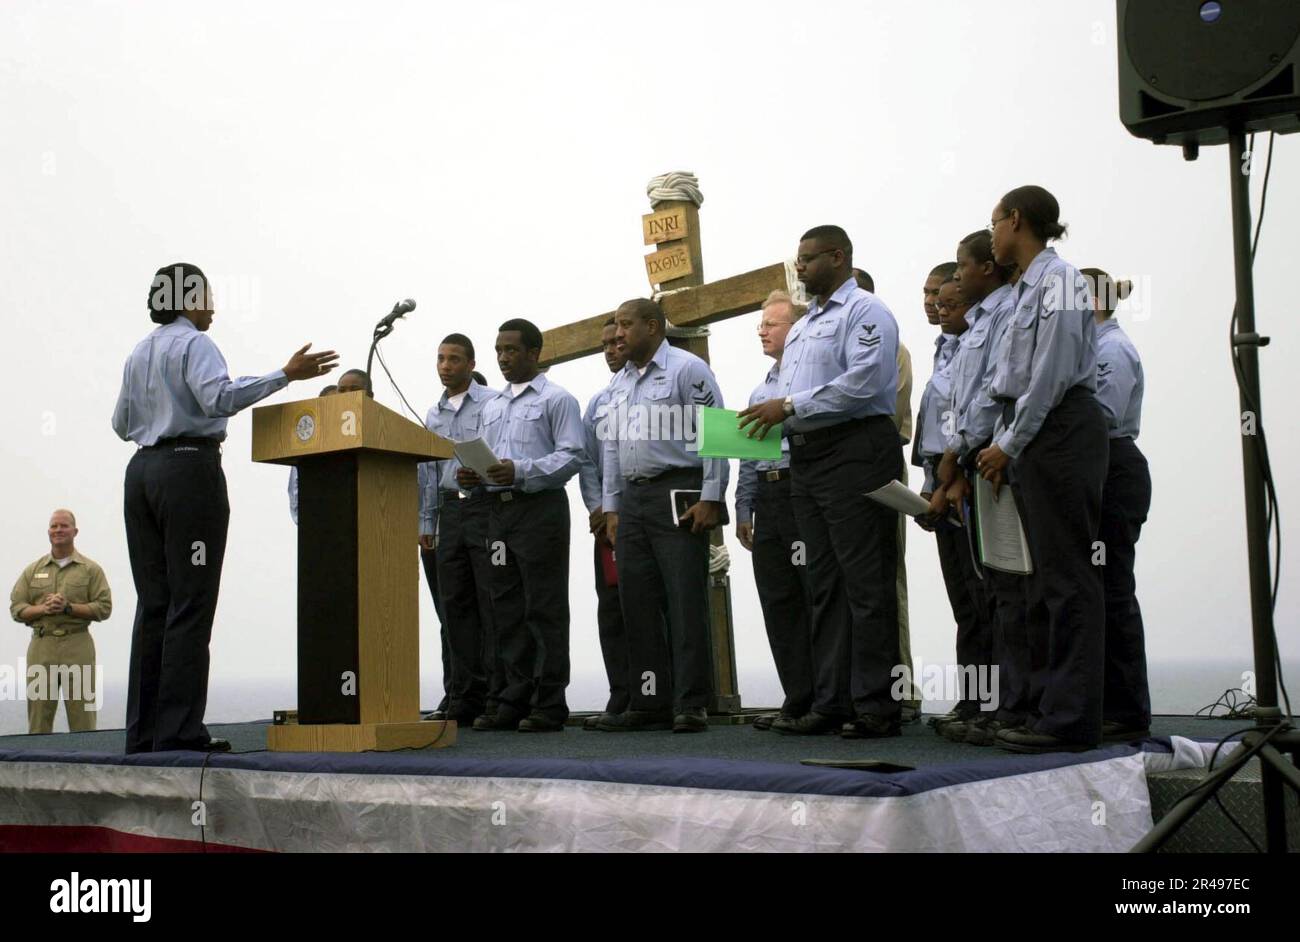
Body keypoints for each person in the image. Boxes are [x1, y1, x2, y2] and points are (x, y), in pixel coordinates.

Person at [111, 262, 337, 753]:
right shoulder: (195, 344)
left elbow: (120, 422)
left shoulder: (138, 351)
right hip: (188, 473)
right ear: (189, 298)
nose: (213, 305)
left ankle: (144, 734)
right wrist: (286, 375)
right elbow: (219, 398)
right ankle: (179, 732)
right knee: (191, 602)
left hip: (141, 474)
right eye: (208, 296)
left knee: (154, 604)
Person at [739, 225, 904, 739]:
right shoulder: (807, 325)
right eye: (799, 260)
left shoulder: (865, 312)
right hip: (807, 460)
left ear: (839, 257)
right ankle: (832, 702)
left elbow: (866, 382)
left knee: (865, 584)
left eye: (809, 259)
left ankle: (877, 706)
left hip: (855, 449)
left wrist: (787, 406)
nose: (801, 268)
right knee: (825, 585)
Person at [978, 187, 1108, 753]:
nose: (991, 237)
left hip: (1057, 429)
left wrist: (1009, 443)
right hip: (1032, 433)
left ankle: (1071, 719)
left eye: (994, 224)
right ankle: (1048, 708)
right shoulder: (1024, 289)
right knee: (1040, 582)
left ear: (1015, 220)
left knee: (1066, 579)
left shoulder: (1060, 282)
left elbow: (1050, 377)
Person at [599, 298, 728, 734]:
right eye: (616, 325)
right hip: (632, 502)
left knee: (684, 601)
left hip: (678, 490)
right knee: (635, 603)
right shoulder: (620, 384)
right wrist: (612, 507)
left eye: (626, 324)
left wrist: (712, 495)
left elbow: (716, 430)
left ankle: (691, 702)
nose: (618, 334)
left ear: (652, 327)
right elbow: (613, 448)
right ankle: (649, 700)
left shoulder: (687, 369)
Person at [463, 319, 583, 732]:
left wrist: (521, 470)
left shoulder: (558, 399)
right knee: (506, 607)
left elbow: (572, 456)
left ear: (534, 353)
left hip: (539, 510)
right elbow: (488, 458)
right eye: (498, 351)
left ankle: (549, 703)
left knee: (544, 608)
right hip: (498, 513)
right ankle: (512, 698)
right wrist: (473, 475)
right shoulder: (492, 405)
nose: (502, 358)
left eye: (511, 350)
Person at [932, 230, 1023, 746]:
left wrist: (958, 451)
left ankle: (1012, 705)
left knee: (1007, 593)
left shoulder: (1006, 313)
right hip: (972, 461)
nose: (958, 275)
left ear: (986, 269)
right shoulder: (980, 322)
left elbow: (994, 393)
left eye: (963, 267)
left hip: (995, 459)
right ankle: (995, 704)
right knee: (990, 596)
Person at [916, 276, 997, 741]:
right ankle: (972, 700)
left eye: (947, 301)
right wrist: (929, 487)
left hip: (967, 481)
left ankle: (994, 704)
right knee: (965, 605)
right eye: (931, 300)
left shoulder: (978, 347)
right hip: (941, 484)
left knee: (987, 599)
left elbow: (970, 420)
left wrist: (952, 478)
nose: (937, 308)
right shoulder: (943, 350)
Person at [736, 291, 813, 732]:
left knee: (812, 595)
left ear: (796, 328)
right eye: (760, 325)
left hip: (800, 492)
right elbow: (750, 454)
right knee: (778, 599)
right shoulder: (759, 388)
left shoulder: (806, 383)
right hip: (767, 498)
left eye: (771, 323)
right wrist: (744, 505)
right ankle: (797, 697)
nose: (762, 331)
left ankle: (825, 696)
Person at [1083, 268, 1152, 741]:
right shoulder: (1093, 348)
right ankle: (1105, 701)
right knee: (1097, 587)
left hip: (1113, 464)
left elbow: (1101, 415)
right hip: (1096, 464)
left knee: (1112, 589)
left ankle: (1126, 710)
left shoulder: (1110, 350)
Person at [418, 338, 501, 726]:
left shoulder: (493, 402)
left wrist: (483, 473)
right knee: (454, 605)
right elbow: (429, 473)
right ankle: (463, 694)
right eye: (440, 358)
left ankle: (496, 693)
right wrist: (426, 521)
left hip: (486, 505)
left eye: (454, 359)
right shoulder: (433, 415)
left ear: (471, 363)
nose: (445, 366)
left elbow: (501, 451)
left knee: (490, 601)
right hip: (450, 509)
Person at [854, 266, 921, 723]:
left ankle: (900, 690)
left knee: (882, 579)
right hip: (825, 474)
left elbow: (885, 418)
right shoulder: (811, 352)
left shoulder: (891, 351)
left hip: (874, 467)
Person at [10, 510, 113, 733]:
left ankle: (86, 762)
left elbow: (104, 608)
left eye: (64, 526)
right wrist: (43, 609)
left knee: (83, 718)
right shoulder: (33, 570)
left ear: (75, 531)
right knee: (38, 717)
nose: (58, 530)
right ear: (48, 531)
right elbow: (17, 608)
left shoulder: (90, 570)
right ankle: (37, 765)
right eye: (54, 526)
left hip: (78, 645)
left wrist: (69, 607)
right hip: (42, 646)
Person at [577, 319, 631, 730]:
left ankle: (670, 695)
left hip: (647, 511)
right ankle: (621, 693)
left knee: (656, 608)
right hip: (608, 526)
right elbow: (588, 463)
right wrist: (597, 507)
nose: (611, 349)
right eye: (605, 344)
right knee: (612, 609)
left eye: (617, 342)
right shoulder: (596, 404)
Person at [288, 383, 338, 524]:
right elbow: (295, 488)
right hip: (317, 523)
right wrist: (305, 522)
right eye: (331, 403)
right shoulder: (310, 441)